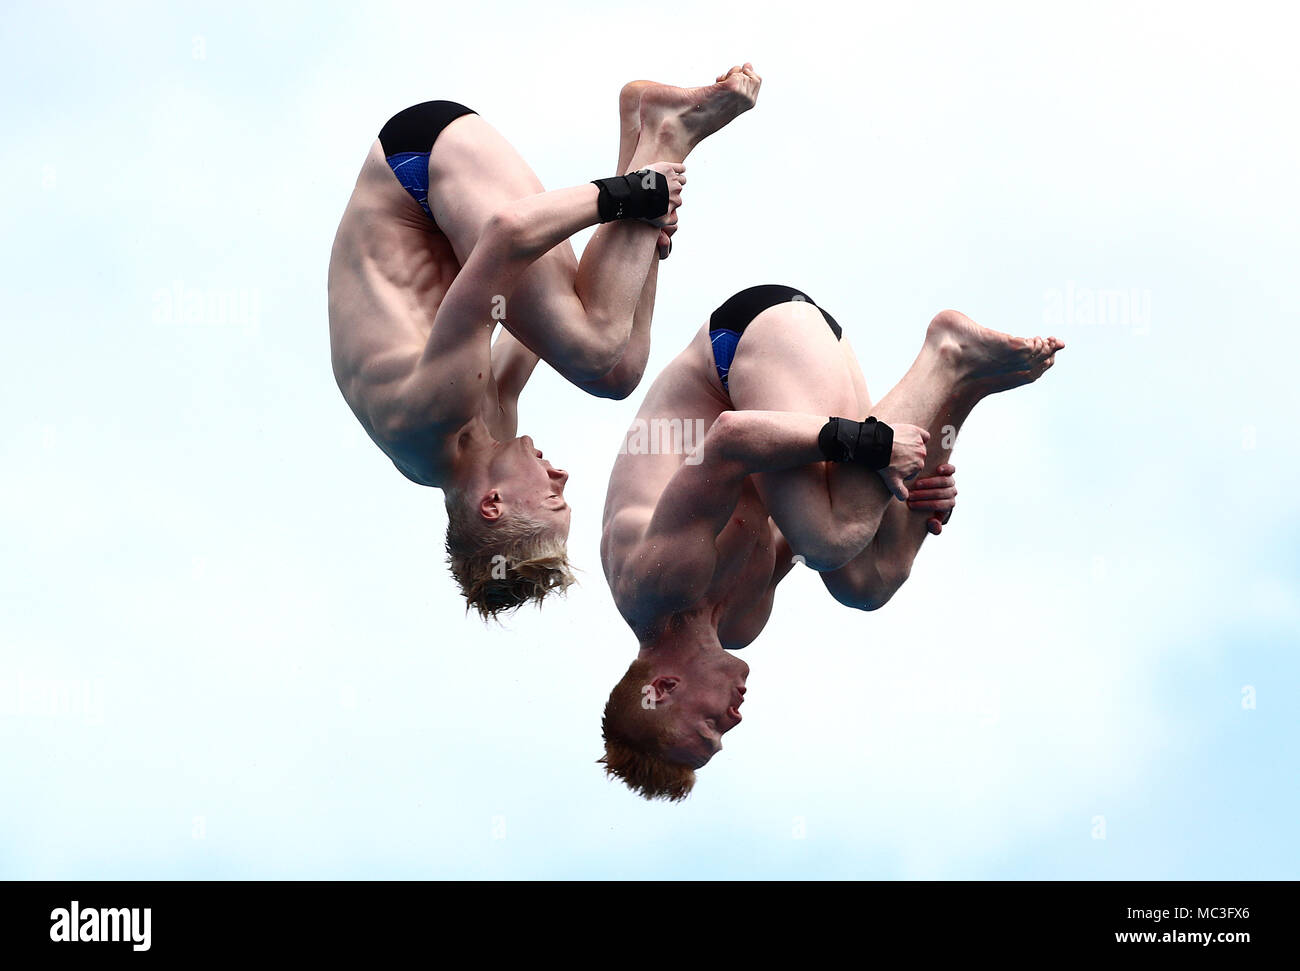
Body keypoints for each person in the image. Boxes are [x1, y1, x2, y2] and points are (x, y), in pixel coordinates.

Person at [598, 285, 1064, 799]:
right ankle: (963, 387)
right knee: (864, 581)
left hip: (750, 343)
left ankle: (949, 355)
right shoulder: (739, 624)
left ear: (662, 690)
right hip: (796, 387)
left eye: (711, 728)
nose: (733, 720)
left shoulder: (653, 584)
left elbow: (729, 440)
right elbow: (807, 510)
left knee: (828, 540)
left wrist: (871, 443)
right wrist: (915, 500)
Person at [328, 66, 762, 618]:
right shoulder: (479, 445)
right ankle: (645, 131)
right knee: (616, 368)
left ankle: (664, 137)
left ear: (492, 504)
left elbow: (508, 237)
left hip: (419, 164)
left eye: (552, 497)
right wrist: (639, 244)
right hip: (439, 206)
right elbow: (533, 326)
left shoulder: (431, 413)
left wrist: (631, 196)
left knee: (596, 347)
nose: (562, 476)